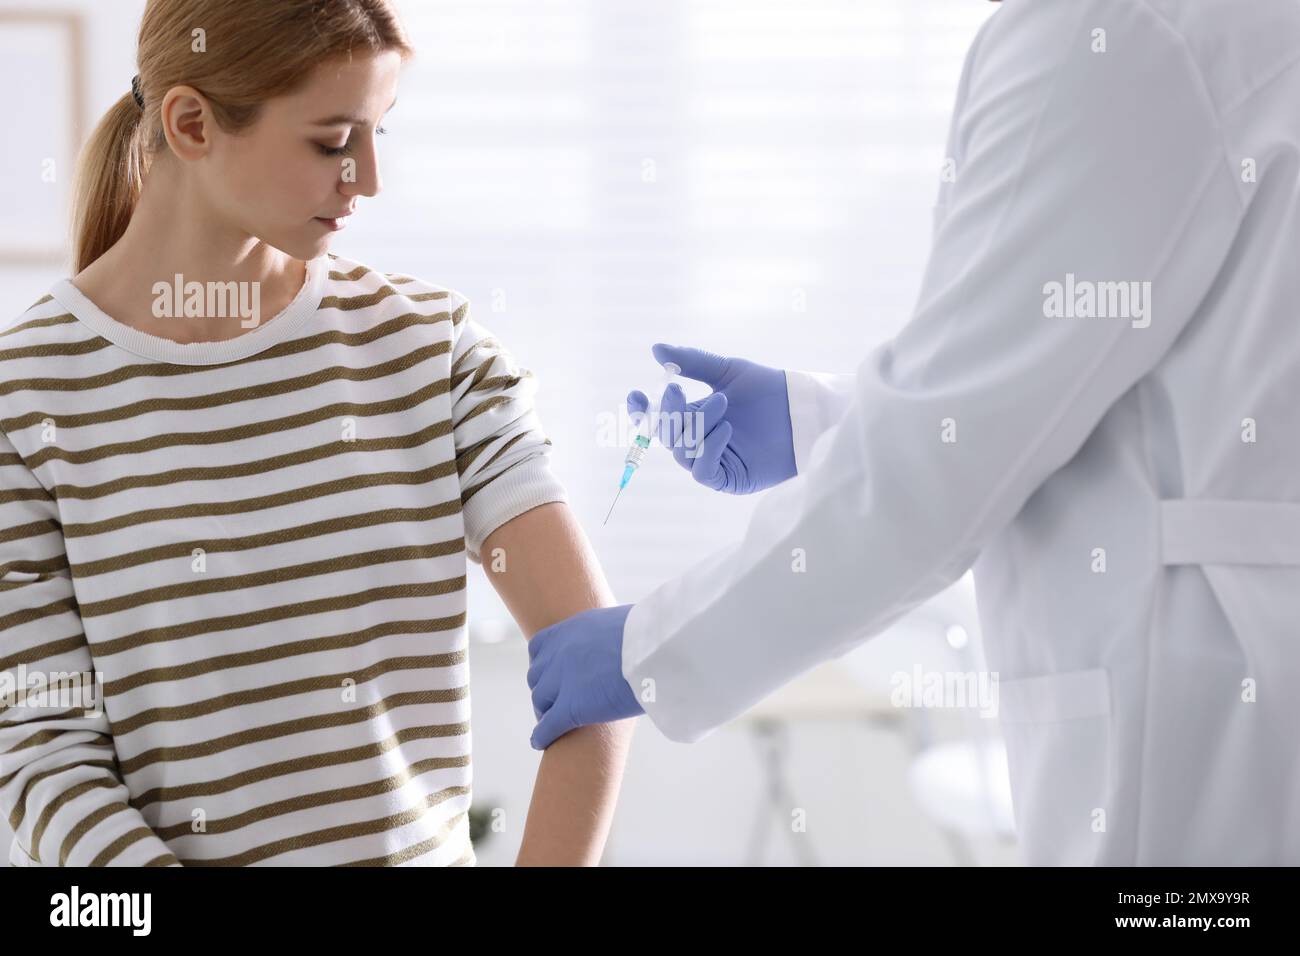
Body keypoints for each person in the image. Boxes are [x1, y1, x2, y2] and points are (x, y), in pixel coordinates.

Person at [527, 0, 1300, 865]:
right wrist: (816, 418)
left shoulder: (1118, 34)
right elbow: (1063, 380)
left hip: (1200, 758)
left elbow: (944, 460)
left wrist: (648, 649)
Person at [0, 0, 632, 867]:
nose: (367, 178)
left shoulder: (430, 350)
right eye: (333, 140)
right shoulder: (26, 393)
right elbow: (42, 757)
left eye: (378, 132)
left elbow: (594, 670)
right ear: (191, 124)